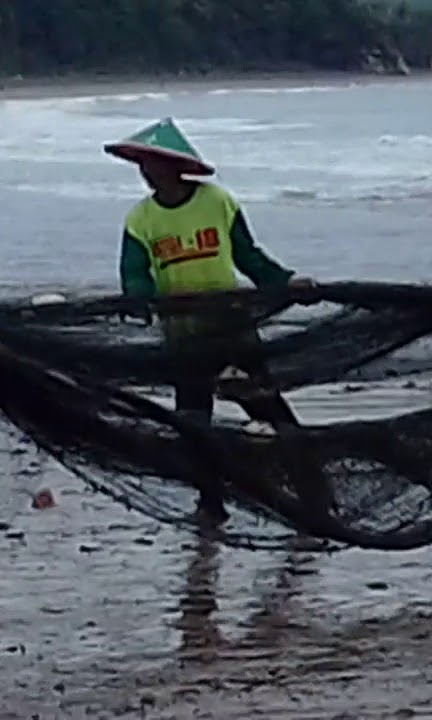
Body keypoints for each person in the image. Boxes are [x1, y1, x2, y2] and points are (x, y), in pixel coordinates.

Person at [106, 117, 323, 525]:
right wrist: (136, 298)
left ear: (173, 165)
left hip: (233, 328)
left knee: (267, 407)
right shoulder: (140, 220)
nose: (144, 172)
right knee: (193, 421)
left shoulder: (217, 202)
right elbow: (135, 273)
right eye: (140, 165)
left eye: (150, 163)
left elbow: (248, 255)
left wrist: (286, 281)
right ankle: (210, 505)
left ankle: (313, 489)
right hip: (183, 335)